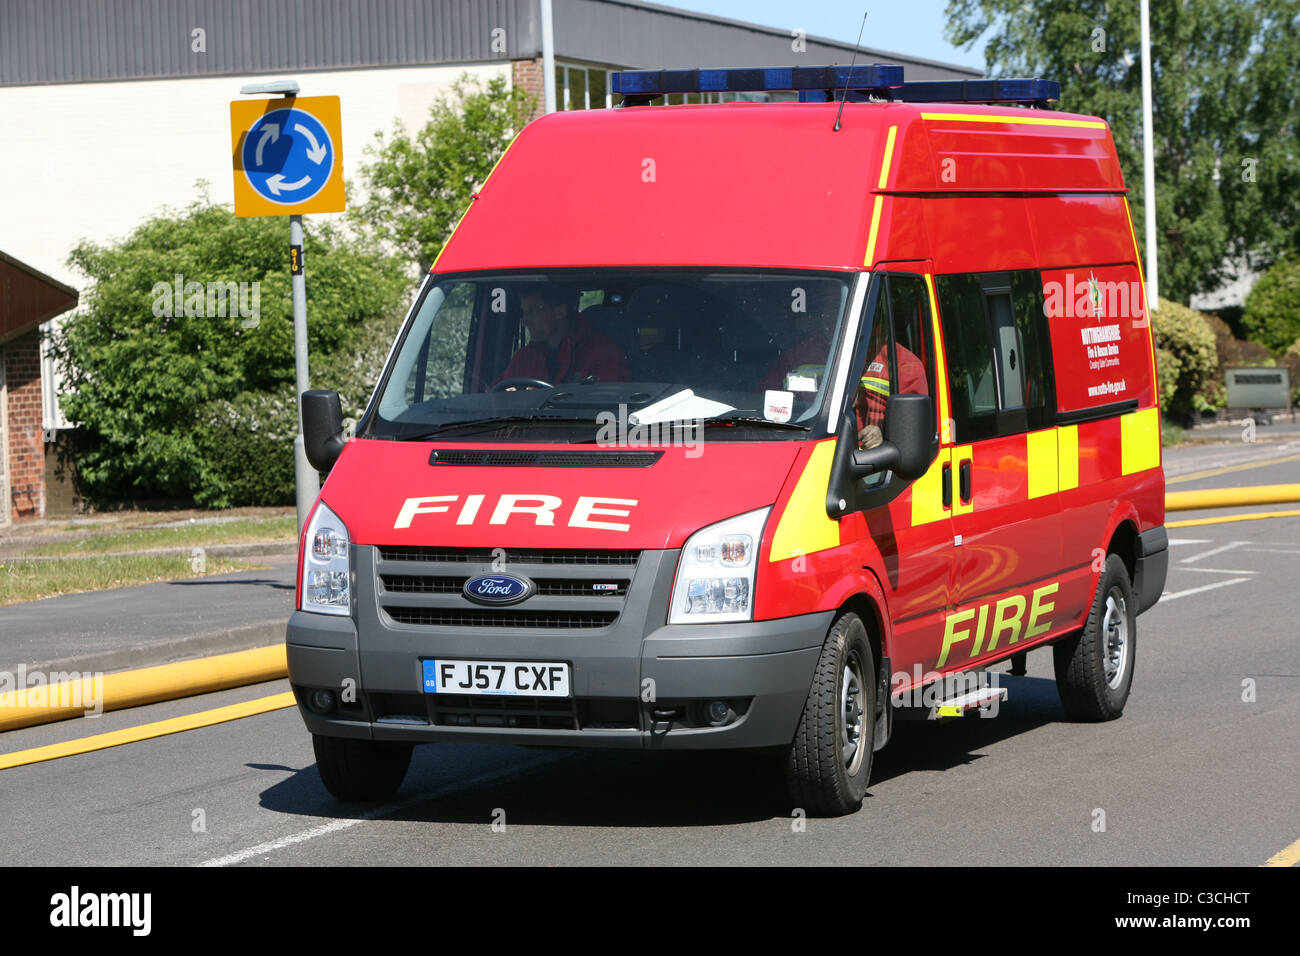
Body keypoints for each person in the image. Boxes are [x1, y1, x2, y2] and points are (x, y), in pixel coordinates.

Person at [495, 286, 629, 387]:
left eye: (532, 312)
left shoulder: (602, 353)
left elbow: (607, 407)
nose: (524, 322)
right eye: (524, 313)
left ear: (560, 312)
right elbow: (493, 398)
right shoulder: (524, 358)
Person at [759, 283, 842, 392]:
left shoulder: (865, 352)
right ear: (821, 313)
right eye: (829, 306)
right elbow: (761, 400)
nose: (833, 313)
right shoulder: (795, 356)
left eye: (837, 305)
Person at [854, 340, 928, 448]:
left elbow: (911, 431)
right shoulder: (840, 351)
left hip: (874, 455)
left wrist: (883, 437)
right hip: (833, 446)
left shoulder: (906, 364)